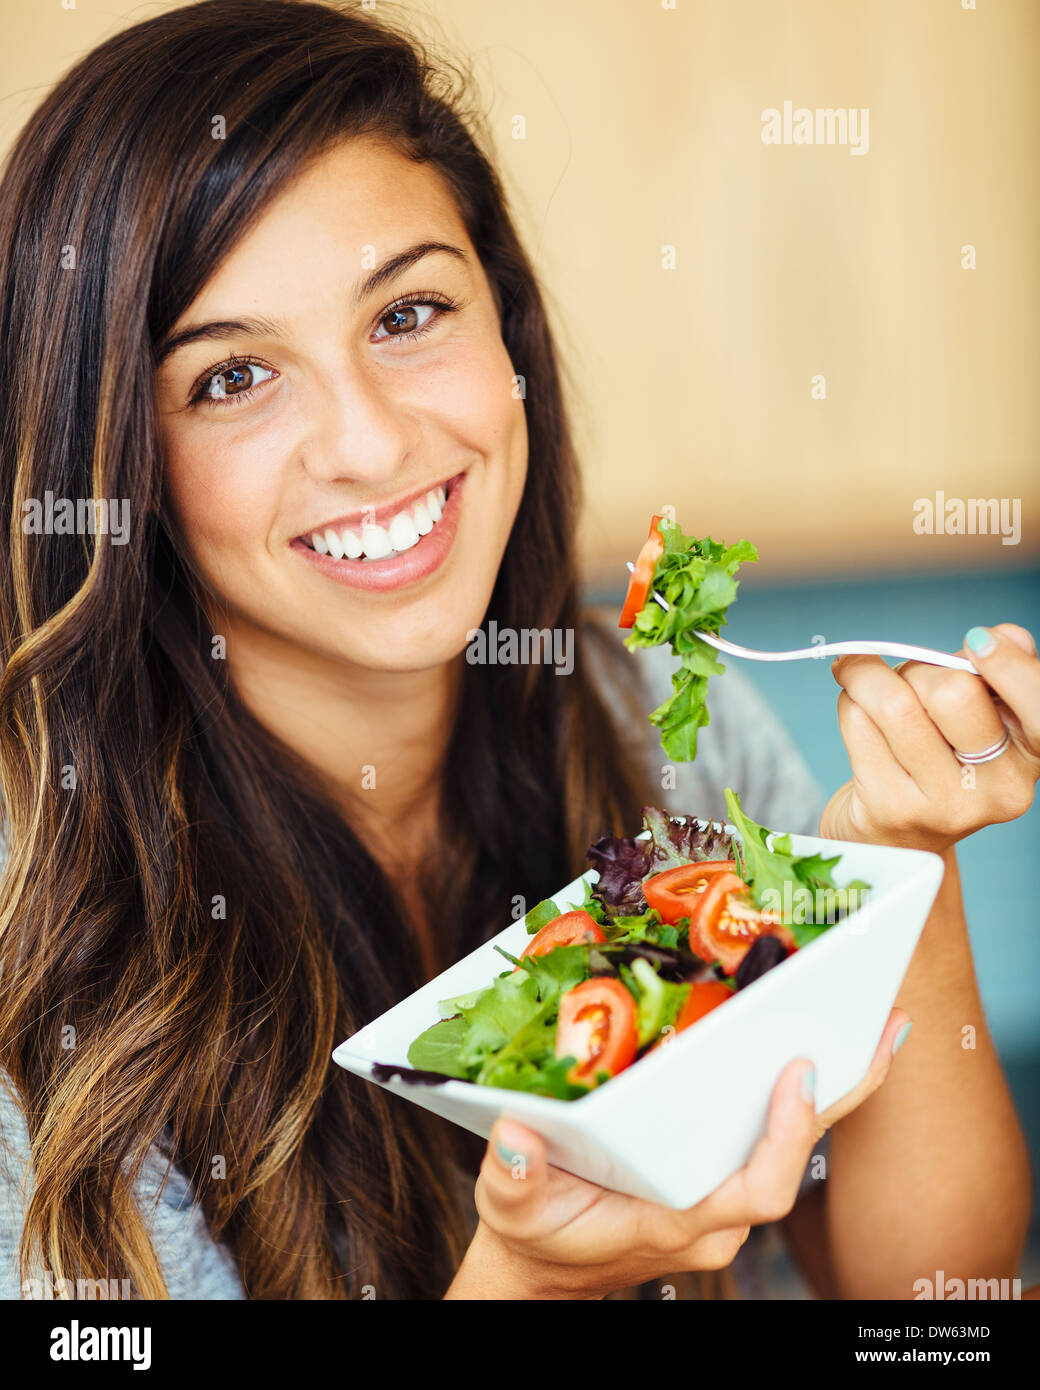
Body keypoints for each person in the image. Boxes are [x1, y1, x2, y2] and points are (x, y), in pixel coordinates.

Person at [0, 0, 1035, 1302]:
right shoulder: (35, 943)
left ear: (509, 331)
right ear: (119, 465)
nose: (370, 445)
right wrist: (532, 1285)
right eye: (231, 379)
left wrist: (901, 868)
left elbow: (934, 1298)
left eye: (407, 314)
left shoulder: (660, 714)